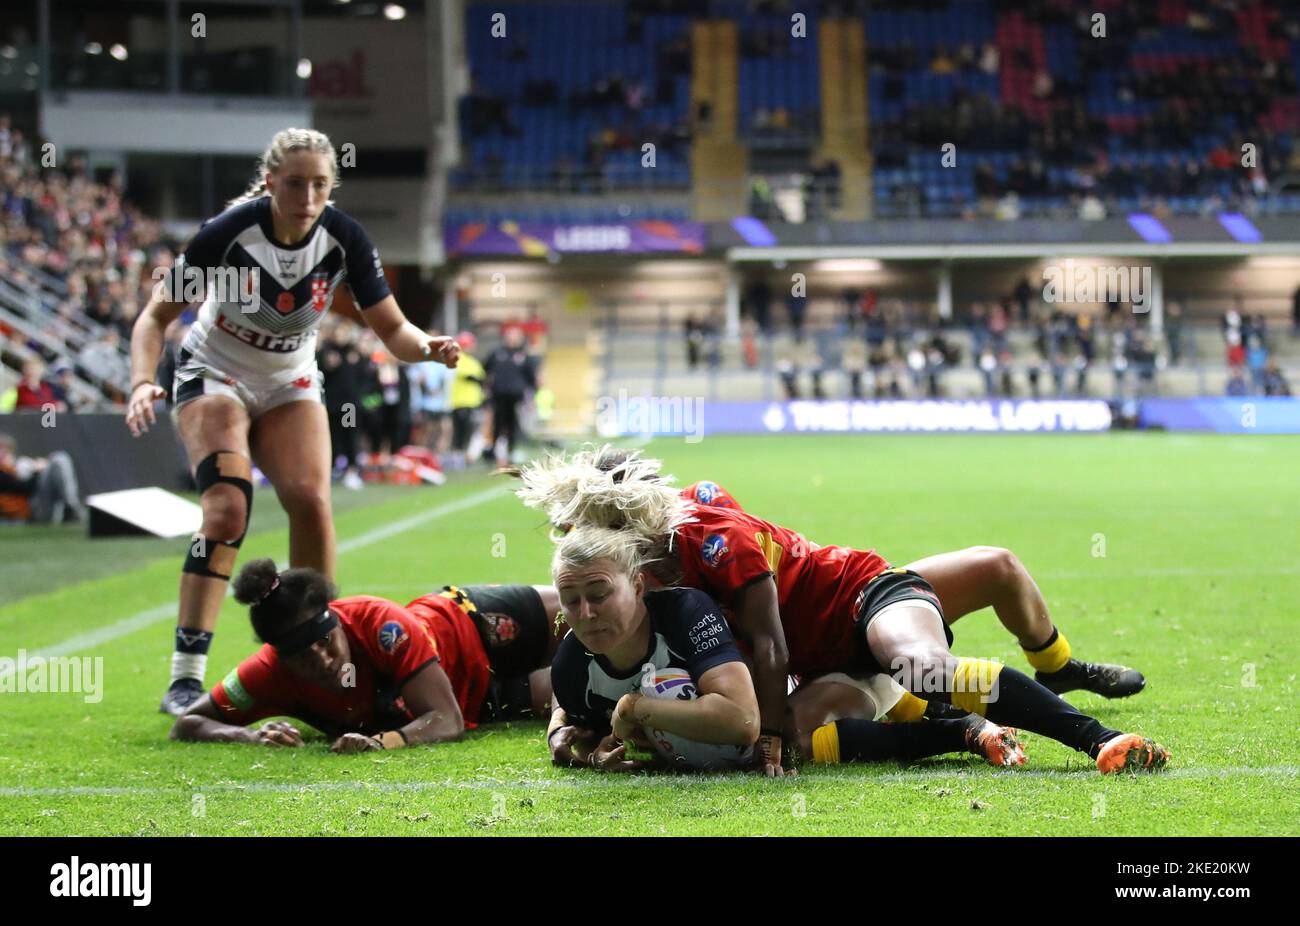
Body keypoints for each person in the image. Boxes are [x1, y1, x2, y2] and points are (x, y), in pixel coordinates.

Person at [518, 449, 1169, 776]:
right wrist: (573, 725)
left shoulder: (715, 541)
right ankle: (959, 726)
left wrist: (764, 724)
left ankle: (1095, 736)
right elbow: (588, 645)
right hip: (828, 661)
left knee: (922, 667)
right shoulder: (637, 573)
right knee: (800, 743)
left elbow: (770, 643)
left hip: (859, 599)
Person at [125, 127, 460, 716]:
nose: (308, 197)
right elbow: (154, 319)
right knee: (227, 508)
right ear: (270, 182)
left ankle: (317, 649)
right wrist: (140, 382)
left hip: (289, 381)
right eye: (296, 183)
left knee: (310, 498)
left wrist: (428, 345)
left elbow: (394, 330)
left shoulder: (344, 238)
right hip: (214, 373)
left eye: (320, 185)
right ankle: (185, 675)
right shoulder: (226, 235)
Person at [545, 525, 1023, 772]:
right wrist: (577, 746)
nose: (586, 611)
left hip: (847, 635)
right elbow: (573, 711)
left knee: (786, 742)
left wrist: (637, 707)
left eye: (599, 595)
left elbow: (747, 717)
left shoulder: (688, 588)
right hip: (811, 662)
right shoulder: (586, 623)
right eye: (573, 602)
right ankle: (938, 712)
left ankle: (969, 723)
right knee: (791, 737)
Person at [171, 557, 564, 747]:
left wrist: (381, 742)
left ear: (338, 622)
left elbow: (445, 721)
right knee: (588, 694)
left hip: (479, 626)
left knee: (596, 616)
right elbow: (189, 722)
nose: (323, 661)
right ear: (281, 659)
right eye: (304, 658)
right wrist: (249, 737)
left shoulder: (381, 623)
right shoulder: (267, 671)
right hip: (482, 697)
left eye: (326, 643)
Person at [0, 432, 85, 524]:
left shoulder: (16, 466)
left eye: (6, 450)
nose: (3, 453)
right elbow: (26, 488)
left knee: (59, 459)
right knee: (58, 459)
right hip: (32, 513)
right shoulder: (5, 473)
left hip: (40, 505)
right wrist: (37, 471)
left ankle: (71, 506)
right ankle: (71, 508)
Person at [483, 326, 536, 465]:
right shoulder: (497, 354)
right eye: (510, 336)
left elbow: (531, 378)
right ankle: (494, 451)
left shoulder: (524, 356)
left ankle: (511, 451)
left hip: (515, 398)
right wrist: (487, 388)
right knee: (497, 424)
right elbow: (485, 371)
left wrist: (531, 396)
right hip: (499, 395)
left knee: (512, 425)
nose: (512, 339)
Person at [449, 331, 486, 468]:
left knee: (470, 432)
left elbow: (481, 378)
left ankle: (466, 457)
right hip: (461, 402)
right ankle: (457, 458)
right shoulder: (458, 358)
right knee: (460, 432)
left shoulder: (473, 361)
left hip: (473, 402)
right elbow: (469, 376)